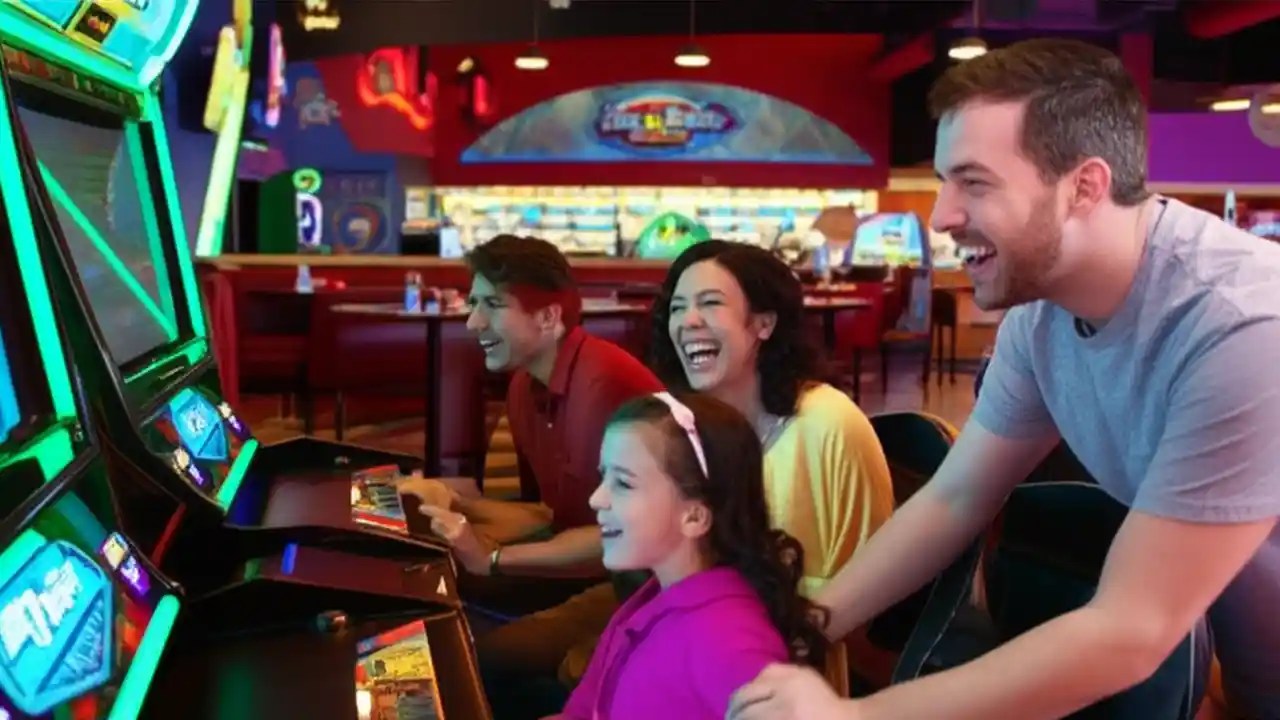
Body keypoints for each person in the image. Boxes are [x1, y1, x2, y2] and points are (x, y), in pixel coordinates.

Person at [728, 38, 1280, 720]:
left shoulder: (1242, 327)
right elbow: (957, 499)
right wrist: (804, 625)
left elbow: (1130, 631)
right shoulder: (1042, 316)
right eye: (943, 181)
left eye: (974, 182)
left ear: (1085, 186)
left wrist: (854, 717)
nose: (942, 215)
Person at [400, 235, 663, 717]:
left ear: (548, 318)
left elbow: (617, 537)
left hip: (642, 578)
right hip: (597, 552)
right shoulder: (526, 382)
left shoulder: (603, 384)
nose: (473, 321)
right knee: (428, 575)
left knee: (486, 658)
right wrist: (457, 502)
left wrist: (495, 558)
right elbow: (554, 514)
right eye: (474, 303)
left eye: (493, 305)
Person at [547, 392, 828, 720]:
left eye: (623, 483)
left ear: (694, 517)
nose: (597, 498)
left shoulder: (729, 641)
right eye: (603, 477)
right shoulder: (653, 597)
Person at [650, 240, 894, 596]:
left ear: (764, 323)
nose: (688, 320)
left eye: (711, 302)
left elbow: (869, 584)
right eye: (678, 307)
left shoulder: (826, 424)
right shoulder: (685, 427)